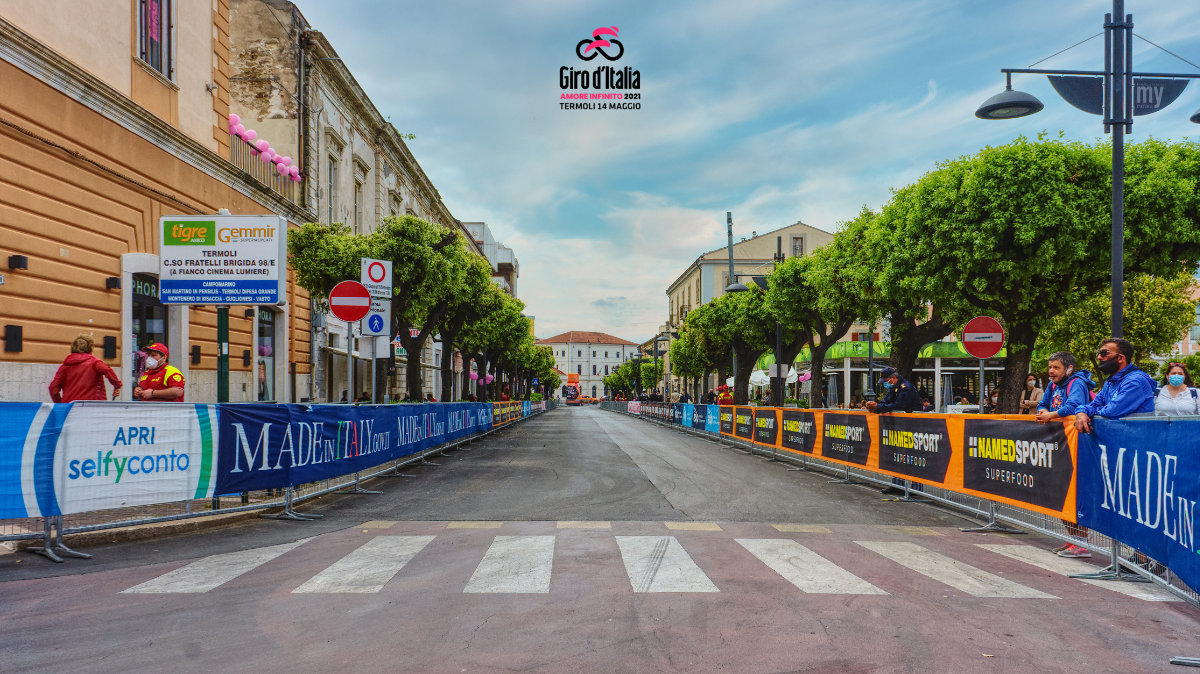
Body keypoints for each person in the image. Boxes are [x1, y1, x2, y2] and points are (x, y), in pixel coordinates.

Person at [1034, 351, 1097, 558]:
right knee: (1061, 495)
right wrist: (1043, 411)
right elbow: (1043, 403)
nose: (1051, 371)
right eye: (1050, 367)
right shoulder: (1052, 385)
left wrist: (1050, 415)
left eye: (1056, 367)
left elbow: (1074, 407)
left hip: (1077, 447)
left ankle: (1082, 542)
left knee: (1073, 495)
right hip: (1059, 445)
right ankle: (1074, 539)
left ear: (1069, 369)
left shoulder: (1076, 383)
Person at [1074, 338, 1156, 434]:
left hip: (1138, 438)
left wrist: (1088, 412)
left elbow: (1111, 411)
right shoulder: (1111, 381)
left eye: (1104, 353)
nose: (1099, 357)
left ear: (1121, 358)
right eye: (1098, 353)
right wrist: (1081, 412)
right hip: (1121, 438)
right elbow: (1095, 404)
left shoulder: (1135, 381)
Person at [49, 334, 122, 402]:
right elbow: (107, 370)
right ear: (90, 348)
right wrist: (117, 385)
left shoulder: (64, 367)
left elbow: (53, 388)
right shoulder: (95, 363)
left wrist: (60, 403)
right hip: (91, 405)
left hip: (70, 406)